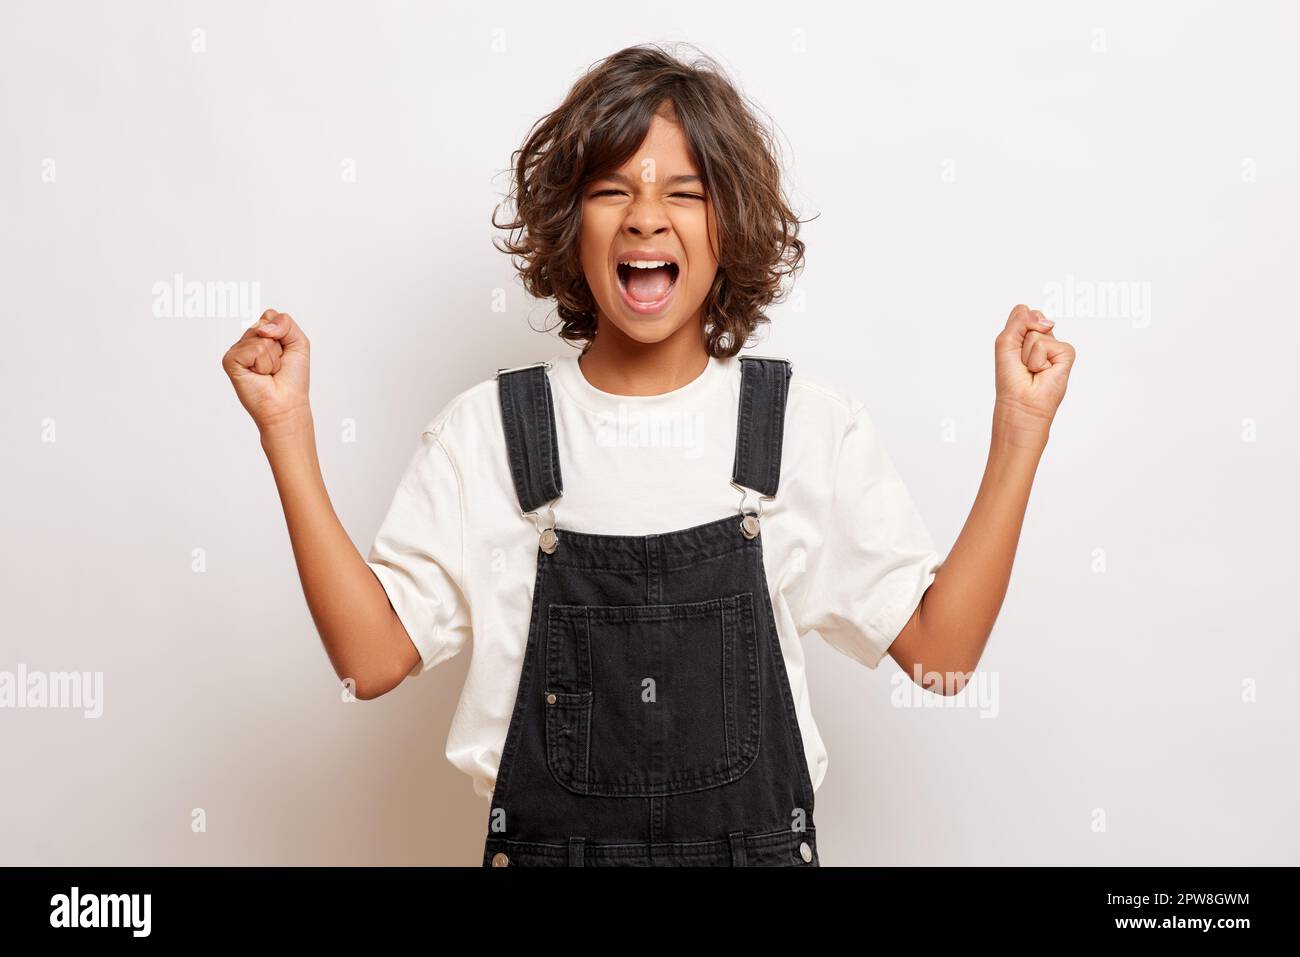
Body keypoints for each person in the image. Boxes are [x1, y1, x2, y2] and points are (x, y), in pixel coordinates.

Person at [220, 43, 1075, 867]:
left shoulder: (804, 429)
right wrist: (287, 431)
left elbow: (944, 655)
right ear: (570, 222)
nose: (645, 214)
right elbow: (371, 663)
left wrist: (1019, 433)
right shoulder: (489, 433)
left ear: (730, 225)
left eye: (685, 191)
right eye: (610, 189)